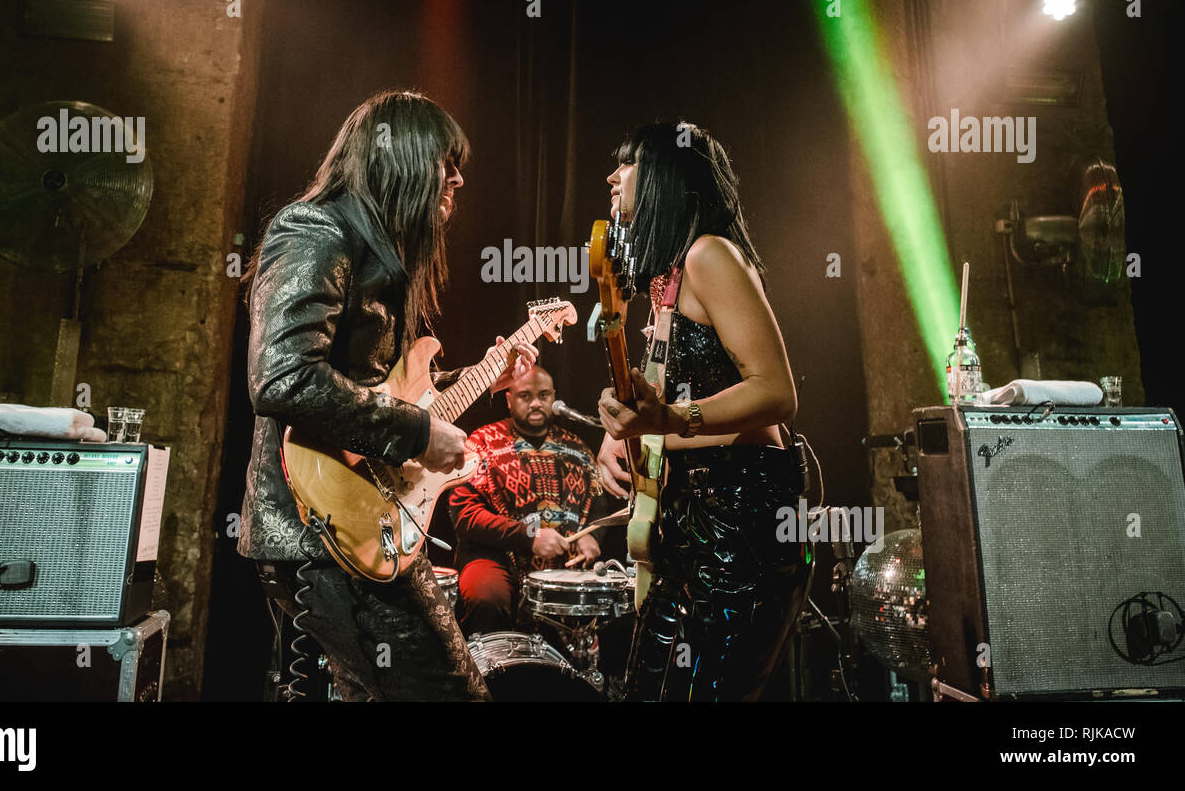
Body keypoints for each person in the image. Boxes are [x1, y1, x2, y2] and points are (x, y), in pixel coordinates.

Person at [237, 90, 536, 701]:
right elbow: (282, 376)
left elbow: (379, 386)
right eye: (443, 161)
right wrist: (421, 435)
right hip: (317, 524)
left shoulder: (376, 248)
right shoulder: (316, 229)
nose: (456, 178)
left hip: (359, 521)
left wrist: (478, 380)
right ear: (395, 158)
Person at [596, 120, 812, 702]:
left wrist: (666, 422)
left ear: (669, 177)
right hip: (688, 525)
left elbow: (775, 392)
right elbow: (667, 404)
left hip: (740, 517)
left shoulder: (707, 255)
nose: (613, 176)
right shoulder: (665, 280)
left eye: (630, 162)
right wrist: (622, 434)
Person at [448, 366, 623, 636]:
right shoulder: (480, 444)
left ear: (554, 397)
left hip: (563, 562)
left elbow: (599, 508)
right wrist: (529, 536)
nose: (536, 403)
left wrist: (593, 537)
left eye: (543, 395)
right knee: (487, 599)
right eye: (525, 396)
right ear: (508, 400)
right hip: (495, 556)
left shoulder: (577, 448)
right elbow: (465, 516)